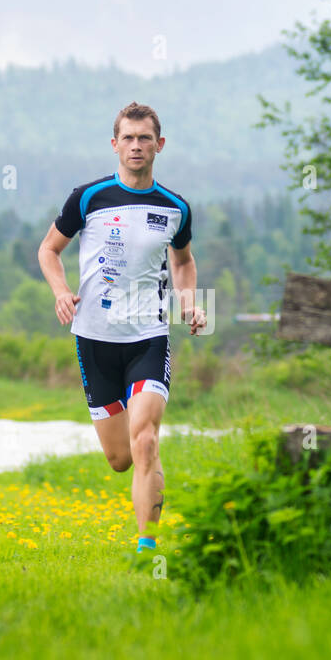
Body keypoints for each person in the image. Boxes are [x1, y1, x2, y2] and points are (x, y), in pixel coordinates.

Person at [38, 101, 206, 556]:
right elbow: (48, 251)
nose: (136, 146)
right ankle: (150, 475)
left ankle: (146, 548)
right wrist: (60, 291)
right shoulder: (88, 198)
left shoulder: (175, 208)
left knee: (147, 438)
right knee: (121, 459)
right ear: (115, 145)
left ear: (159, 145)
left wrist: (188, 302)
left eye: (145, 138)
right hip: (93, 339)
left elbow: (184, 262)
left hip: (148, 337)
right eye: (128, 138)